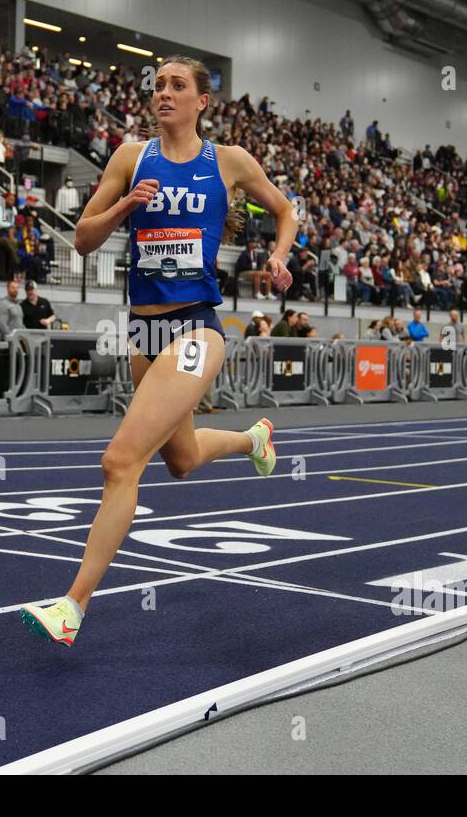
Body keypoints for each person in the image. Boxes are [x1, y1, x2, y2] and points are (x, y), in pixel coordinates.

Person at [19, 55, 294, 645]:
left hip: (197, 329)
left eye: (177, 86)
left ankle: (72, 607)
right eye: (159, 86)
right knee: (182, 459)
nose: (164, 94)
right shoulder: (129, 157)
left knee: (120, 462)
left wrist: (279, 256)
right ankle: (253, 439)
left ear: (201, 102)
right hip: (144, 334)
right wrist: (124, 207)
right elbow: (83, 239)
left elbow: (285, 210)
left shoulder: (228, 162)